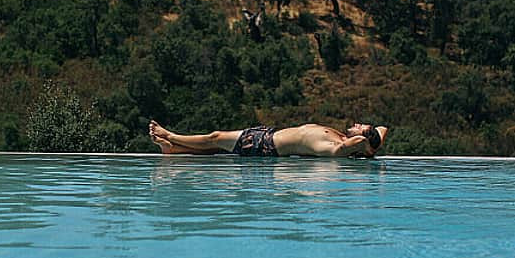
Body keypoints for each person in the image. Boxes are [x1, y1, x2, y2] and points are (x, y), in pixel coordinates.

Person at [149, 120, 389, 158]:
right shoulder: (338, 136)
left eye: (361, 127)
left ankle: (171, 136)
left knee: (216, 138)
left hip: (265, 145)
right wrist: (372, 141)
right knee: (217, 148)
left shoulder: (335, 147)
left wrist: (368, 148)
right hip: (267, 135)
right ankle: (174, 150)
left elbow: (365, 143)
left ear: (361, 139)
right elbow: (383, 128)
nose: (356, 124)